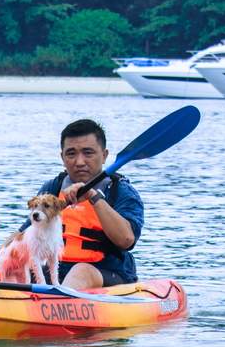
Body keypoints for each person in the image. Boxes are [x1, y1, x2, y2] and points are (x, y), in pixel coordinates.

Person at [19, 118, 143, 289]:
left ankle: (57, 302)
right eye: (71, 154)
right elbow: (25, 235)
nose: (79, 162)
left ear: (104, 155)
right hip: (56, 269)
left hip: (105, 272)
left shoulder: (121, 191)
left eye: (88, 153)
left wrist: (94, 197)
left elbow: (126, 240)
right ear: (62, 157)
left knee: (81, 271)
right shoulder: (53, 189)